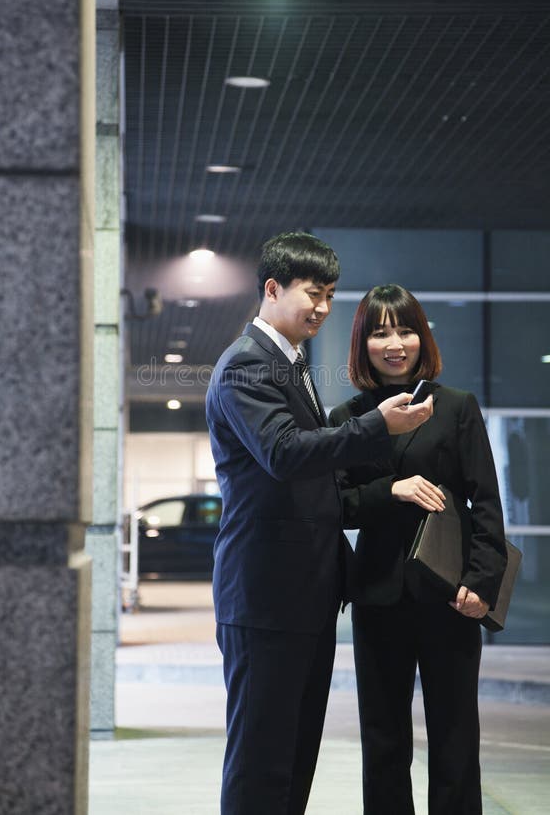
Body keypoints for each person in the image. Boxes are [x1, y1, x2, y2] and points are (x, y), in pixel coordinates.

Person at [205, 235, 433, 815]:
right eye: (313, 293)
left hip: (302, 595)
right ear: (273, 288)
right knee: (262, 761)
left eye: (331, 294)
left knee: (295, 753)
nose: (324, 308)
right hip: (266, 599)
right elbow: (284, 453)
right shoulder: (246, 365)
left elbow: (318, 484)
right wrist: (377, 427)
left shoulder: (291, 362)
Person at [329, 284, 507, 815]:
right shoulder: (349, 417)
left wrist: (482, 582)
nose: (395, 343)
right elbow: (336, 505)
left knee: (455, 737)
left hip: (449, 594)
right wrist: (392, 490)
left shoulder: (455, 408)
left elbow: (487, 502)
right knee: (382, 738)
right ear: (362, 343)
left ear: (421, 337)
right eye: (380, 331)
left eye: (405, 329)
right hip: (379, 595)